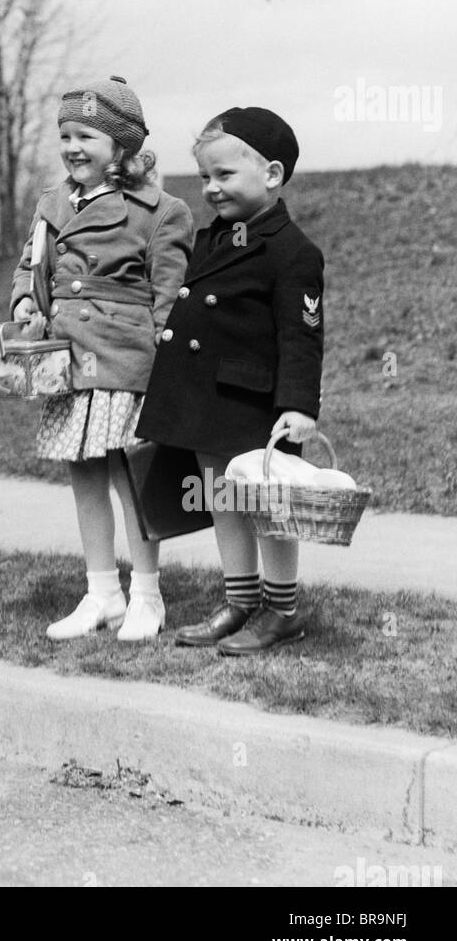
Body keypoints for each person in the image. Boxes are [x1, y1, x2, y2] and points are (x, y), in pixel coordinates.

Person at [135, 107, 324, 655]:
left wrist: (300, 405)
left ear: (271, 174)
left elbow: (302, 335)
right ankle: (240, 602)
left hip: (258, 408)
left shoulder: (292, 252)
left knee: (268, 509)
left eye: (224, 175)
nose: (211, 188)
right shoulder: (213, 239)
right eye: (204, 178)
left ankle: (282, 611)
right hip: (206, 401)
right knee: (223, 501)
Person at [10, 77, 192, 642]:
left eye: (86, 135)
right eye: (65, 135)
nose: (72, 147)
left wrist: (166, 375)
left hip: (124, 363)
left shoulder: (160, 210)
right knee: (83, 473)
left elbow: (168, 300)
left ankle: (147, 595)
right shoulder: (53, 202)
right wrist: (22, 299)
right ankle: (102, 593)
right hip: (66, 361)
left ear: (123, 146)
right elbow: (30, 265)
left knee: (130, 478)